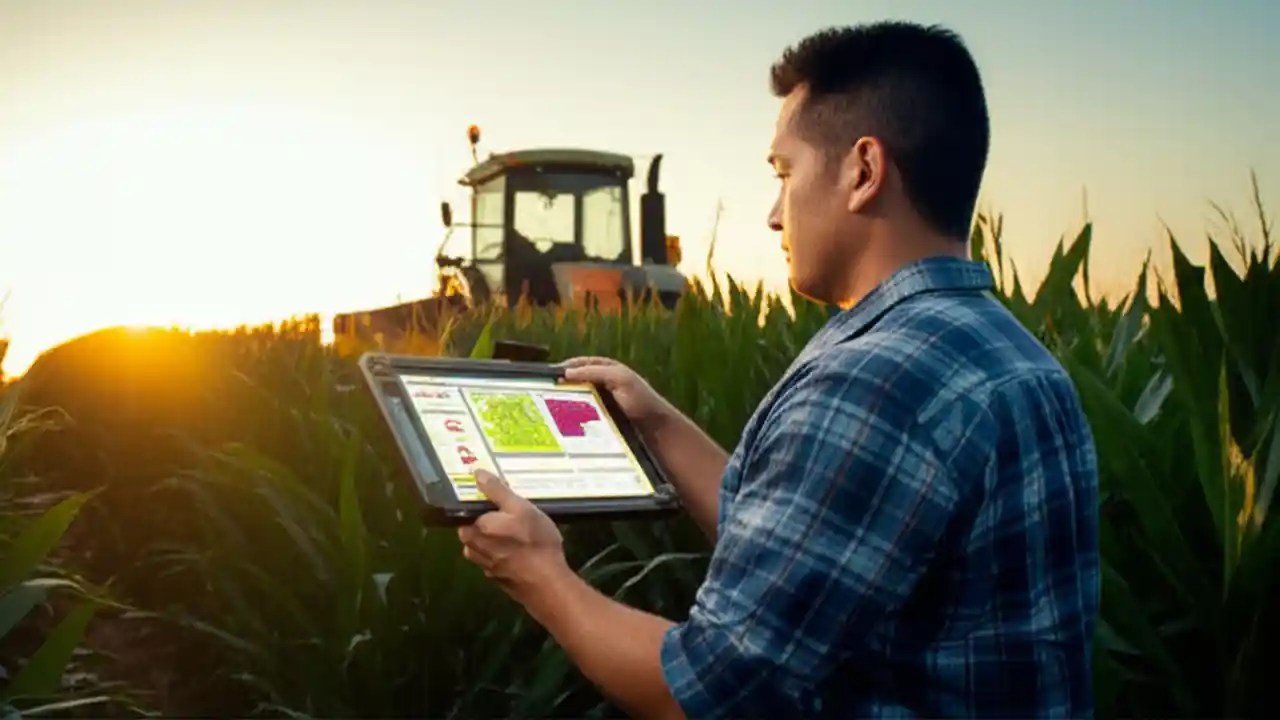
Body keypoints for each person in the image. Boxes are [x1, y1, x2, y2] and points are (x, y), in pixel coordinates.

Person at [457, 20, 1100, 719]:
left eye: (784, 172)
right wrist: (658, 422)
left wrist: (540, 574)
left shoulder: (873, 381)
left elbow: (710, 689)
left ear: (863, 171)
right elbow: (808, 547)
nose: (772, 214)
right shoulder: (1013, 356)